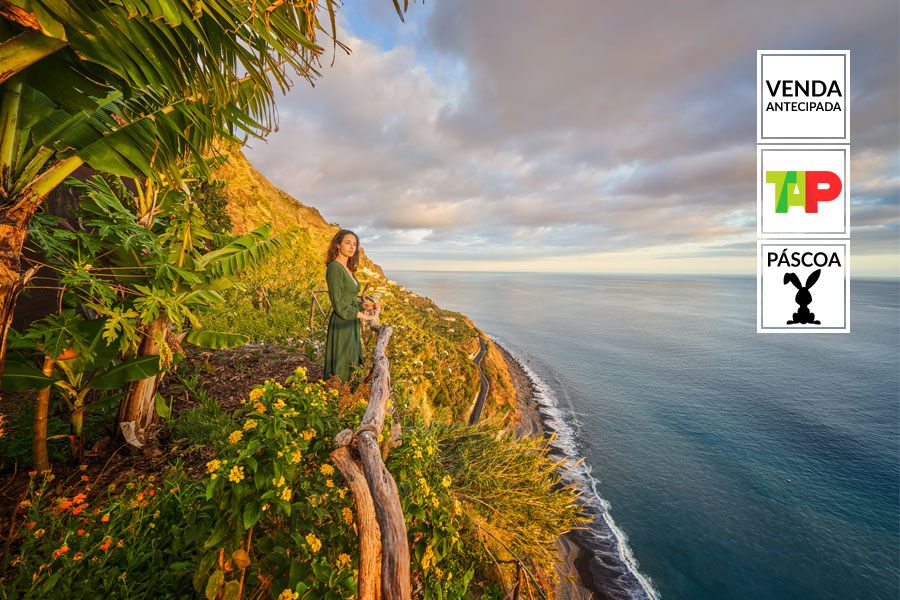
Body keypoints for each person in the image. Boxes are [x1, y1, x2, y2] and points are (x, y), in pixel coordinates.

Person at [323, 229, 380, 384]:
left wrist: (366, 306)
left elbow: (349, 299)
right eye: (347, 243)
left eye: (354, 244)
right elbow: (338, 303)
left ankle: (348, 394)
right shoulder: (334, 267)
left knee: (351, 360)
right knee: (342, 361)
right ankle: (338, 394)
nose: (352, 247)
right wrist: (364, 316)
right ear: (337, 244)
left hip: (351, 320)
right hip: (342, 322)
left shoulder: (348, 268)